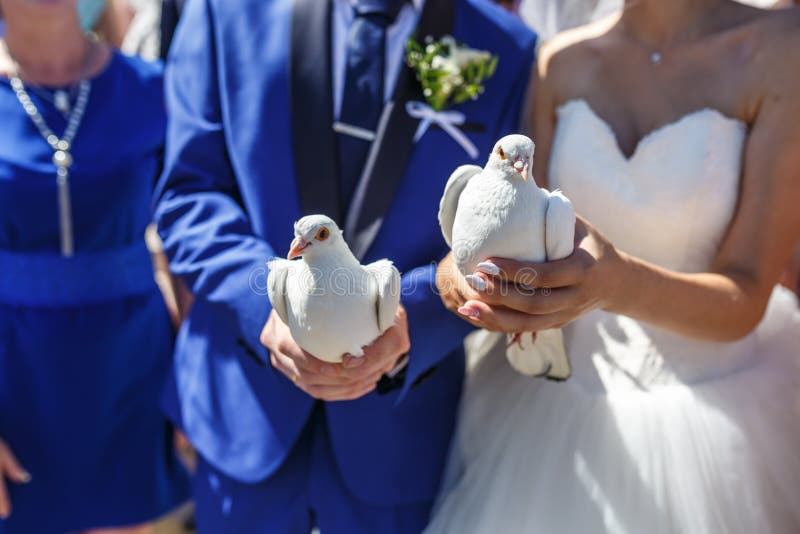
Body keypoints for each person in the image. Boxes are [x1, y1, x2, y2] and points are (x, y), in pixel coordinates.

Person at [155, 0, 536, 532]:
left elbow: (504, 232)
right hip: (245, 412)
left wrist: (408, 322)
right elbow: (189, 195)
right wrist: (267, 299)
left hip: (399, 433)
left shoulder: (507, 48)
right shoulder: (227, 10)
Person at [428, 1, 800, 533]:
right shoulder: (558, 63)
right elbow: (526, 230)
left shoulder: (782, 50)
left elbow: (746, 297)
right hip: (549, 415)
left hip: (714, 423)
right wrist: (463, 272)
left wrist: (615, 284)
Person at [0, 1, 188, 532]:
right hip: (14, 375)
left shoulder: (154, 88)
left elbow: (185, 234)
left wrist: (195, 378)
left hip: (129, 365)